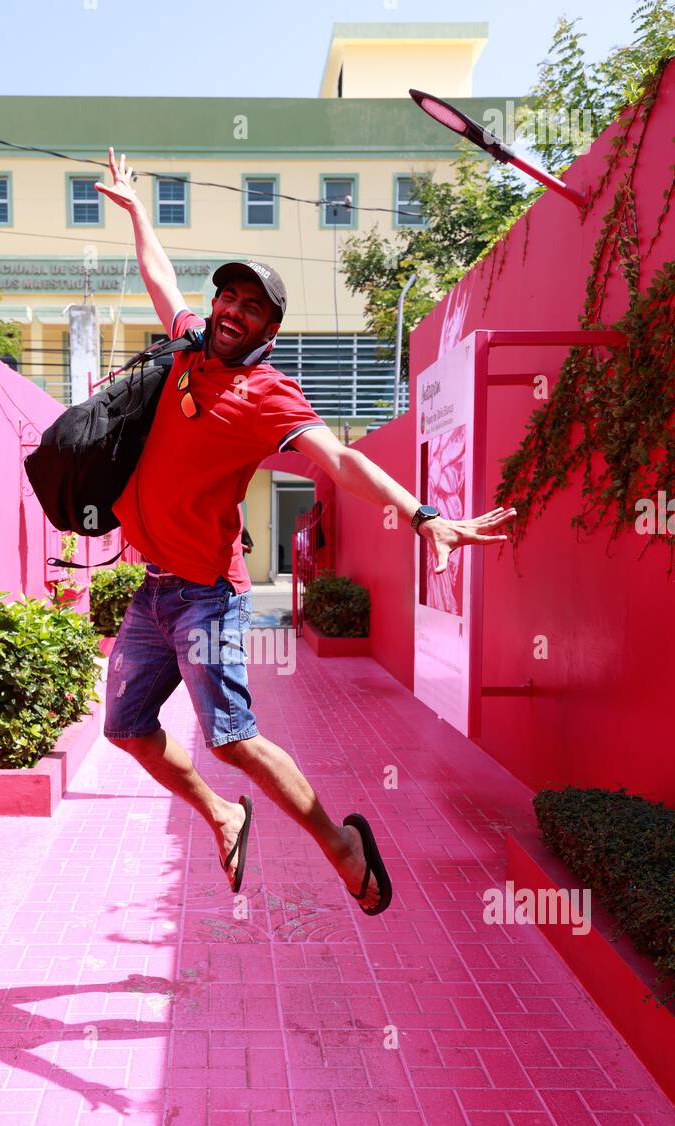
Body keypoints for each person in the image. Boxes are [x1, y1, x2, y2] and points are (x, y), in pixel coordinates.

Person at [95, 148, 516, 915]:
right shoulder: (189, 344)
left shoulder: (268, 393)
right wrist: (136, 210)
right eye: (229, 296)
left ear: (271, 328)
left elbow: (341, 462)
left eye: (252, 307)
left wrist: (423, 517)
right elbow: (160, 276)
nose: (232, 311)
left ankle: (340, 843)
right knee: (125, 728)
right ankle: (222, 815)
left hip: (203, 595)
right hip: (150, 591)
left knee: (229, 737)